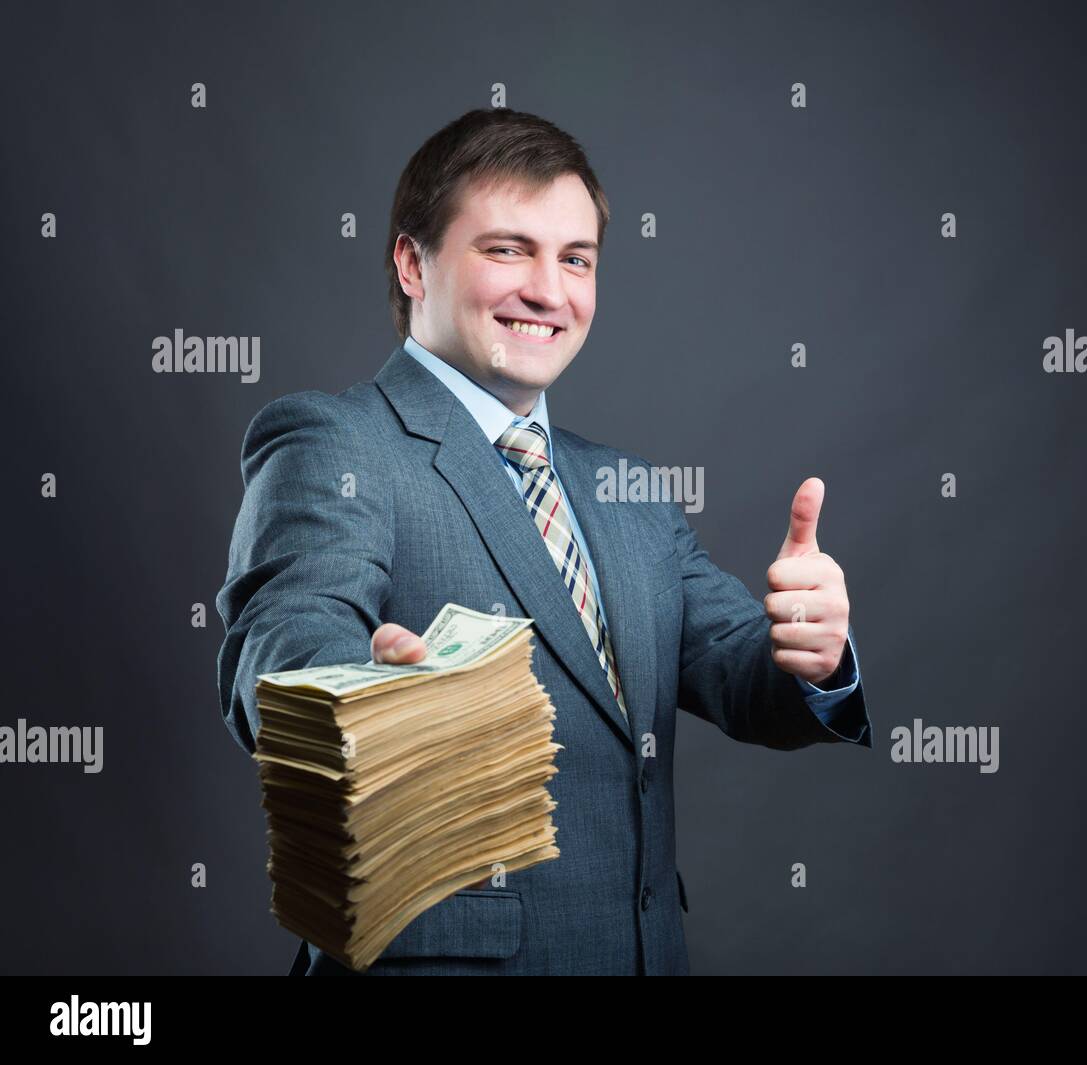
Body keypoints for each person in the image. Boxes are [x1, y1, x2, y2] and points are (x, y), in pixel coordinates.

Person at [216, 107, 872, 975]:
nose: (549, 291)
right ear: (413, 263)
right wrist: (367, 692)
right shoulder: (334, 443)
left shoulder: (628, 489)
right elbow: (285, 643)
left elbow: (744, 678)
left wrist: (814, 652)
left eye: (576, 259)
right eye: (506, 249)